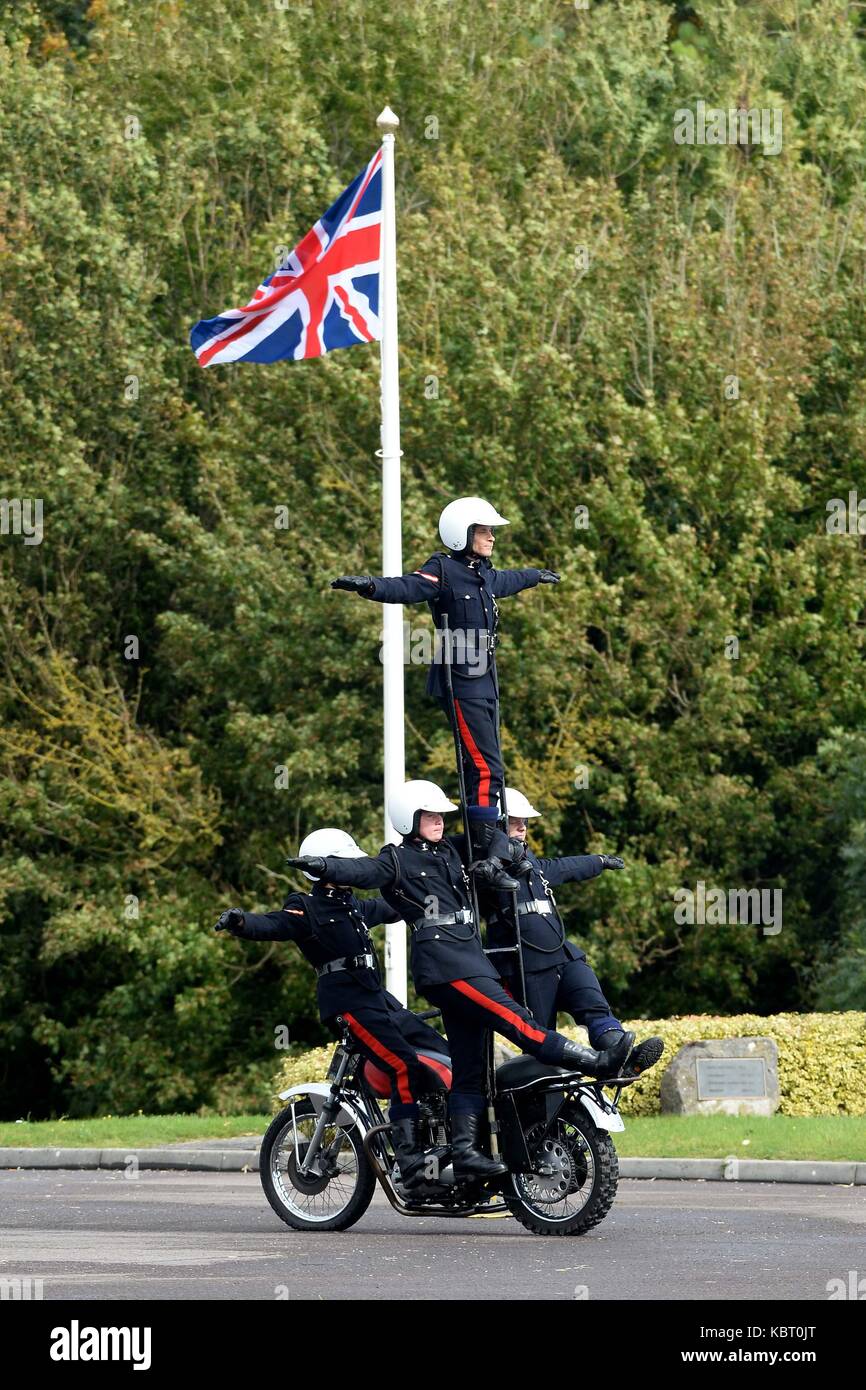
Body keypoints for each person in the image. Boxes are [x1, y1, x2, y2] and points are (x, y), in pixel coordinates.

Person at [285, 782, 637, 1181]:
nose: (440, 820)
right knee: (518, 1022)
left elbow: (497, 838)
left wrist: (521, 842)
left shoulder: (452, 849)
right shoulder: (395, 860)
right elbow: (361, 870)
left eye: (441, 814)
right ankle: (597, 1062)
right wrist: (323, 867)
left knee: (469, 1064)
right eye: (431, 815)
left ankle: (467, 1152)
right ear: (410, 819)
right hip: (445, 966)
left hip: (468, 960)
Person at [213, 827, 451, 1186]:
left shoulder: (351, 904)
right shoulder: (305, 906)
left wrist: (430, 892)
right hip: (347, 1003)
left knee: (445, 1054)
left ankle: (445, 1137)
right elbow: (274, 924)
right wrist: (241, 922)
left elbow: (390, 908)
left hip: (378, 1000)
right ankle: (410, 1160)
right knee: (402, 1065)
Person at [330, 497, 559, 867]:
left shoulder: (483, 573)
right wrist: (370, 586)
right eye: (484, 531)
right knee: (487, 767)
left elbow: (507, 580)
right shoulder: (443, 569)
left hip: (485, 677)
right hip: (461, 679)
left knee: (480, 764)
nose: (491, 538)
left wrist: (535, 575)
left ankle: (482, 833)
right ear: (462, 534)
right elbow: (408, 587)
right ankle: (488, 841)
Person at [484, 787, 664, 1078]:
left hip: (564, 957)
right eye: (514, 821)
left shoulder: (536, 868)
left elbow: (566, 867)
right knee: (541, 1041)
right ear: (496, 827)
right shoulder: (485, 875)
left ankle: (622, 1057)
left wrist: (600, 861)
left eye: (525, 822)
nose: (522, 828)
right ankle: (544, 1108)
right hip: (525, 968)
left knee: (594, 1006)